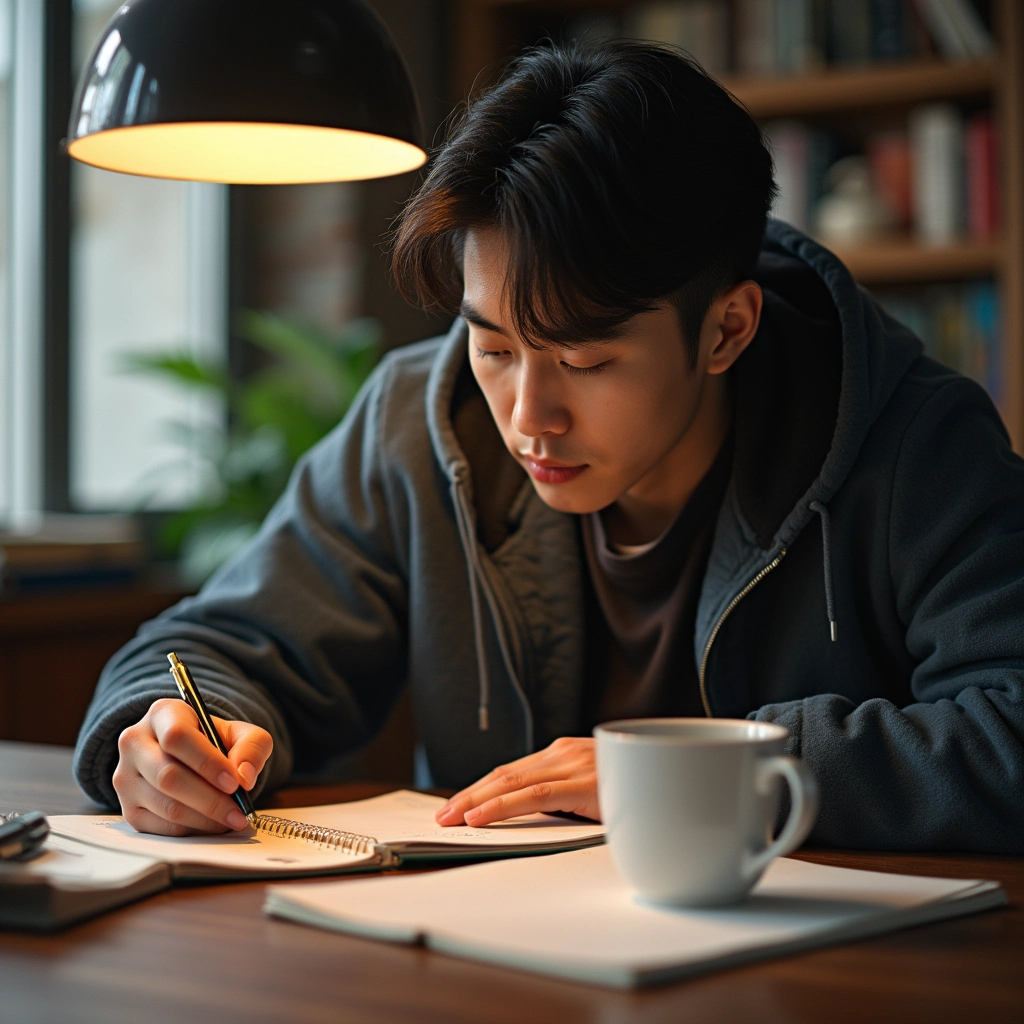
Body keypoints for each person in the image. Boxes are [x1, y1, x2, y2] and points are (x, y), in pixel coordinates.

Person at [73, 40, 1024, 852]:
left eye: (587, 360)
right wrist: (166, 736)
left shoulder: (910, 442)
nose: (530, 413)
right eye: (494, 345)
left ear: (726, 330)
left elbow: (1009, 728)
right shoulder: (422, 419)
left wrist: (706, 773)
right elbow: (222, 644)